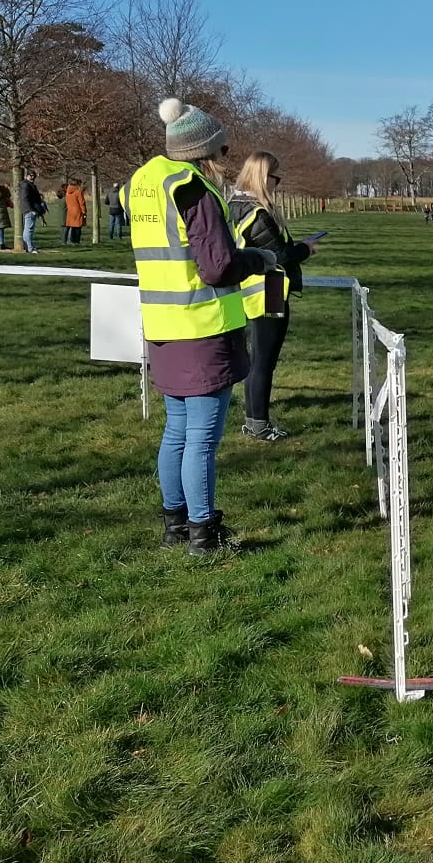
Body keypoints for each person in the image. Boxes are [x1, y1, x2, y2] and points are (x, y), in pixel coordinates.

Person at [132, 98, 276, 556]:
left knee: (176, 431)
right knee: (202, 440)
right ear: (207, 152)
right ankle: (204, 534)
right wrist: (260, 259)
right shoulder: (194, 190)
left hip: (162, 324)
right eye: (223, 149)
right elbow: (217, 268)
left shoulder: (147, 183)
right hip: (202, 327)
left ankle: (175, 524)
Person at [230, 151, 320, 442]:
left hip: (253, 287)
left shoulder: (237, 205)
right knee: (264, 361)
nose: (277, 183)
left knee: (259, 358)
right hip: (268, 289)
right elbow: (279, 257)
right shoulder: (257, 213)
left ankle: (254, 419)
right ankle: (258, 423)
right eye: (274, 176)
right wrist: (306, 248)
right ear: (261, 176)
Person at [20, 170, 44, 253]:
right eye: (30, 175)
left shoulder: (29, 185)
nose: (32, 177)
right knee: (29, 229)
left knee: (28, 229)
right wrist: (31, 210)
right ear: (26, 176)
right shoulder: (26, 186)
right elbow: (25, 199)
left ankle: (29, 247)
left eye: (34, 176)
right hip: (29, 210)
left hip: (30, 209)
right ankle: (30, 248)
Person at [63, 178, 86, 245]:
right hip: (78, 211)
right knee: (78, 227)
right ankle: (76, 241)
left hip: (70, 211)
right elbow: (82, 203)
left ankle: (72, 240)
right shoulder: (78, 192)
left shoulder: (67, 192)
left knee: (72, 226)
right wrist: (84, 212)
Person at [0, 177, 13, 250]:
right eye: (8, 185)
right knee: (0, 227)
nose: (8, 187)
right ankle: (1, 244)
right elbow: (7, 199)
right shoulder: (3, 191)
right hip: (0, 210)